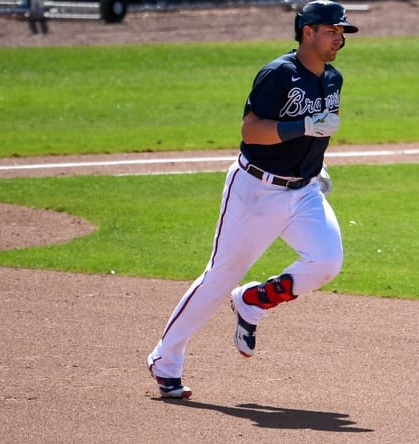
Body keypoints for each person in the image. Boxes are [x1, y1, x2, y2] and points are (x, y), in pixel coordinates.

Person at [146, 0, 358, 398]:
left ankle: (252, 299)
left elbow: (316, 137)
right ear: (307, 31)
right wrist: (305, 126)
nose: (339, 38)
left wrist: (317, 164)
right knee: (218, 276)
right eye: (332, 30)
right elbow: (251, 132)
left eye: (342, 32)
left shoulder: (333, 79)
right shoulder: (278, 74)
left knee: (327, 260)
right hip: (255, 191)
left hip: (304, 191)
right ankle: (165, 359)